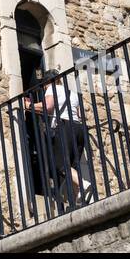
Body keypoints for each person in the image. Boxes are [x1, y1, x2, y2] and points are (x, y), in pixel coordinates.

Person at [26, 74, 90, 205]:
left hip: (64, 126)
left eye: (44, 85)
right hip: (79, 128)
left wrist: (28, 105)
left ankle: (84, 185)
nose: (44, 88)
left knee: (60, 165)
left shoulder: (51, 88)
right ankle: (80, 193)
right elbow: (79, 114)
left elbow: (47, 106)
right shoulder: (72, 93)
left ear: (47, 82)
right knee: (71, 164)